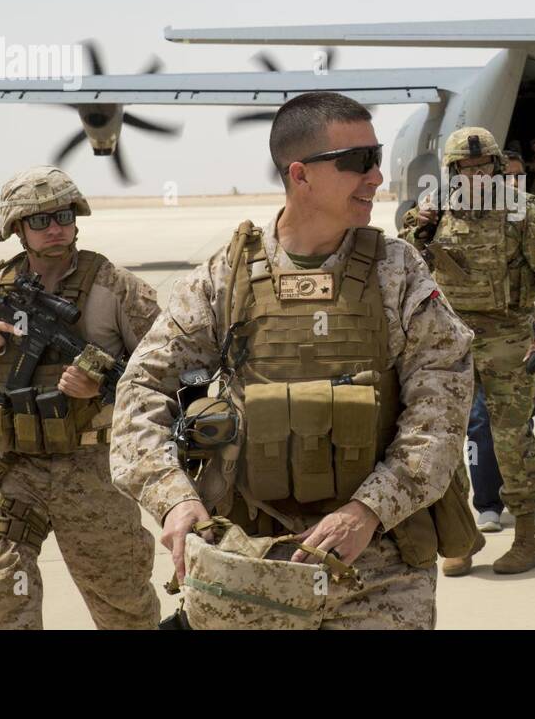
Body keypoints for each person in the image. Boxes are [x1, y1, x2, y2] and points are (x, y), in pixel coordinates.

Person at [111, 92, 474, 629]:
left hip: (377, 567)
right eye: (358, 162)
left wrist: (368, 510)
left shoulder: (399, 272)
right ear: (300, 175)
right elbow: (141, 392)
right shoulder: (226, 278)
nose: (377, 176)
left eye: (376, 157)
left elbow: (441, 413)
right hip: (250, 562)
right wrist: (173, 501)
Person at [0, 166, 161, 630]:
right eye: (40, 221)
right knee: (3, 598)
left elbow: (169, 377)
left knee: (124, 605)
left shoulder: (117, 288)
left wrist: (102, 390)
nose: (55, 227)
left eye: (62, 215)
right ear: (16, 229)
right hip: (18, 470)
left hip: (95, 470)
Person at [400, 127, 535, 575]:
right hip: (453, 340)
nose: (475, 174)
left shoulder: (521, 212)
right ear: (453, 171)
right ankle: (460, 540)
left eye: (483, 166)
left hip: (509, 339)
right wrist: (420, 225)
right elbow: (405, 264)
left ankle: (526, 538)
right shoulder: (436, 213)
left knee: (512, 441)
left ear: (496, 167)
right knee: (447, 442)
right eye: (466, 168)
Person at [466, 150, 535, 534]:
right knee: (480, 423)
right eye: (507, 175)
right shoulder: (457, 217)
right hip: (467, 344)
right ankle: (488, 504)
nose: (512, 182)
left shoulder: (527, 218)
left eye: (517, 176)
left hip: (515, 343)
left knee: (517, 424)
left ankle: (519, 496)